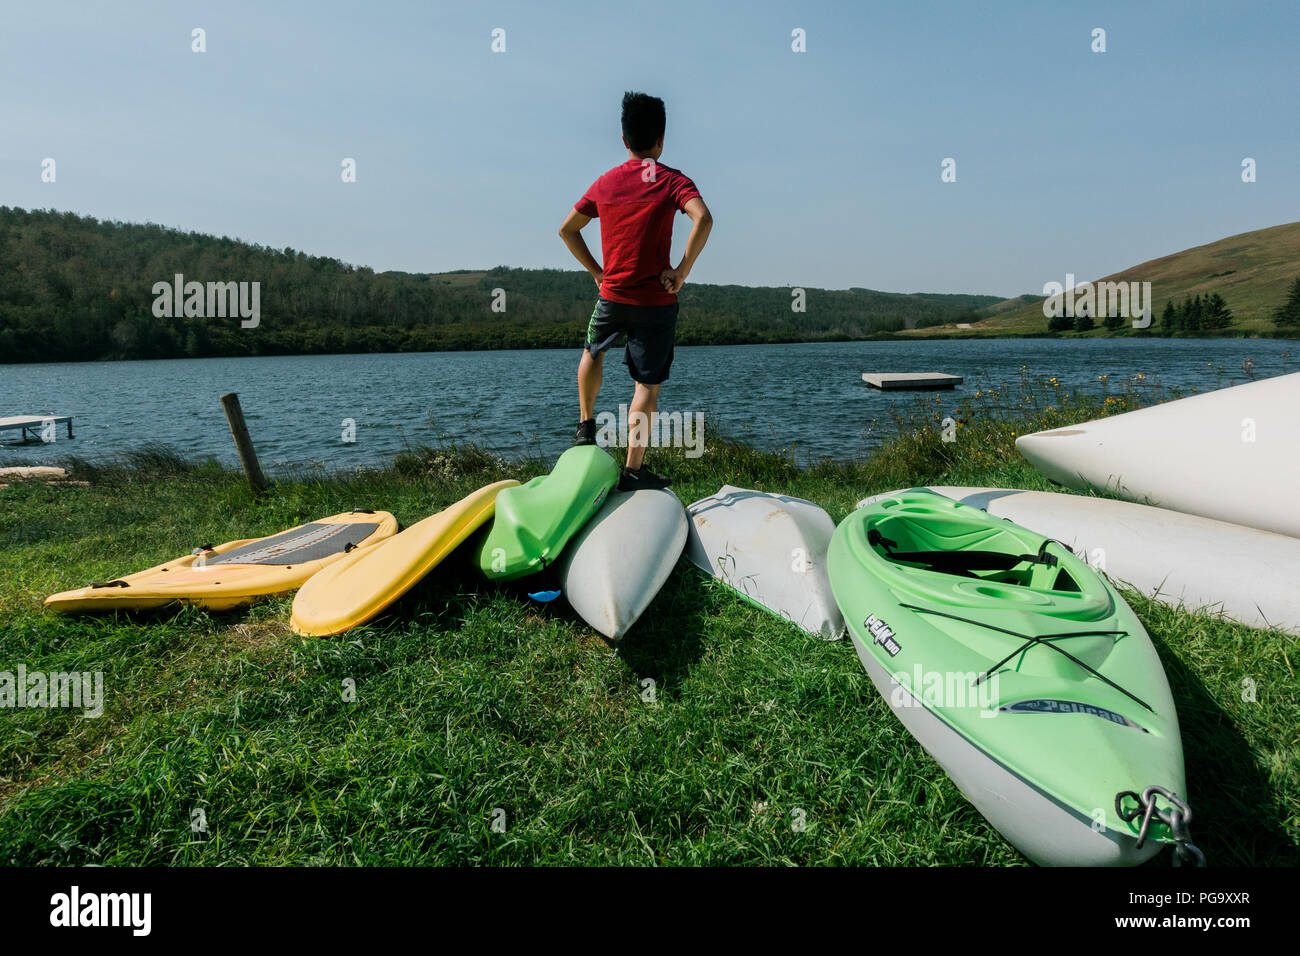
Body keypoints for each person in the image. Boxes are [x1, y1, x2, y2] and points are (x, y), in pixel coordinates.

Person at [558, 91, 713, 490]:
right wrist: (681, 271)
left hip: (612, 296)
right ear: (661, 140)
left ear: (624, 139)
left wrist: (596, 270)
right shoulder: (672, 180)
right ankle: (632, 470)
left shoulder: (606, 182)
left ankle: (585, 425)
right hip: (657, 303)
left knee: (593, 349)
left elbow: (567, 229)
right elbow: (704, 219)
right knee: (646, 385)